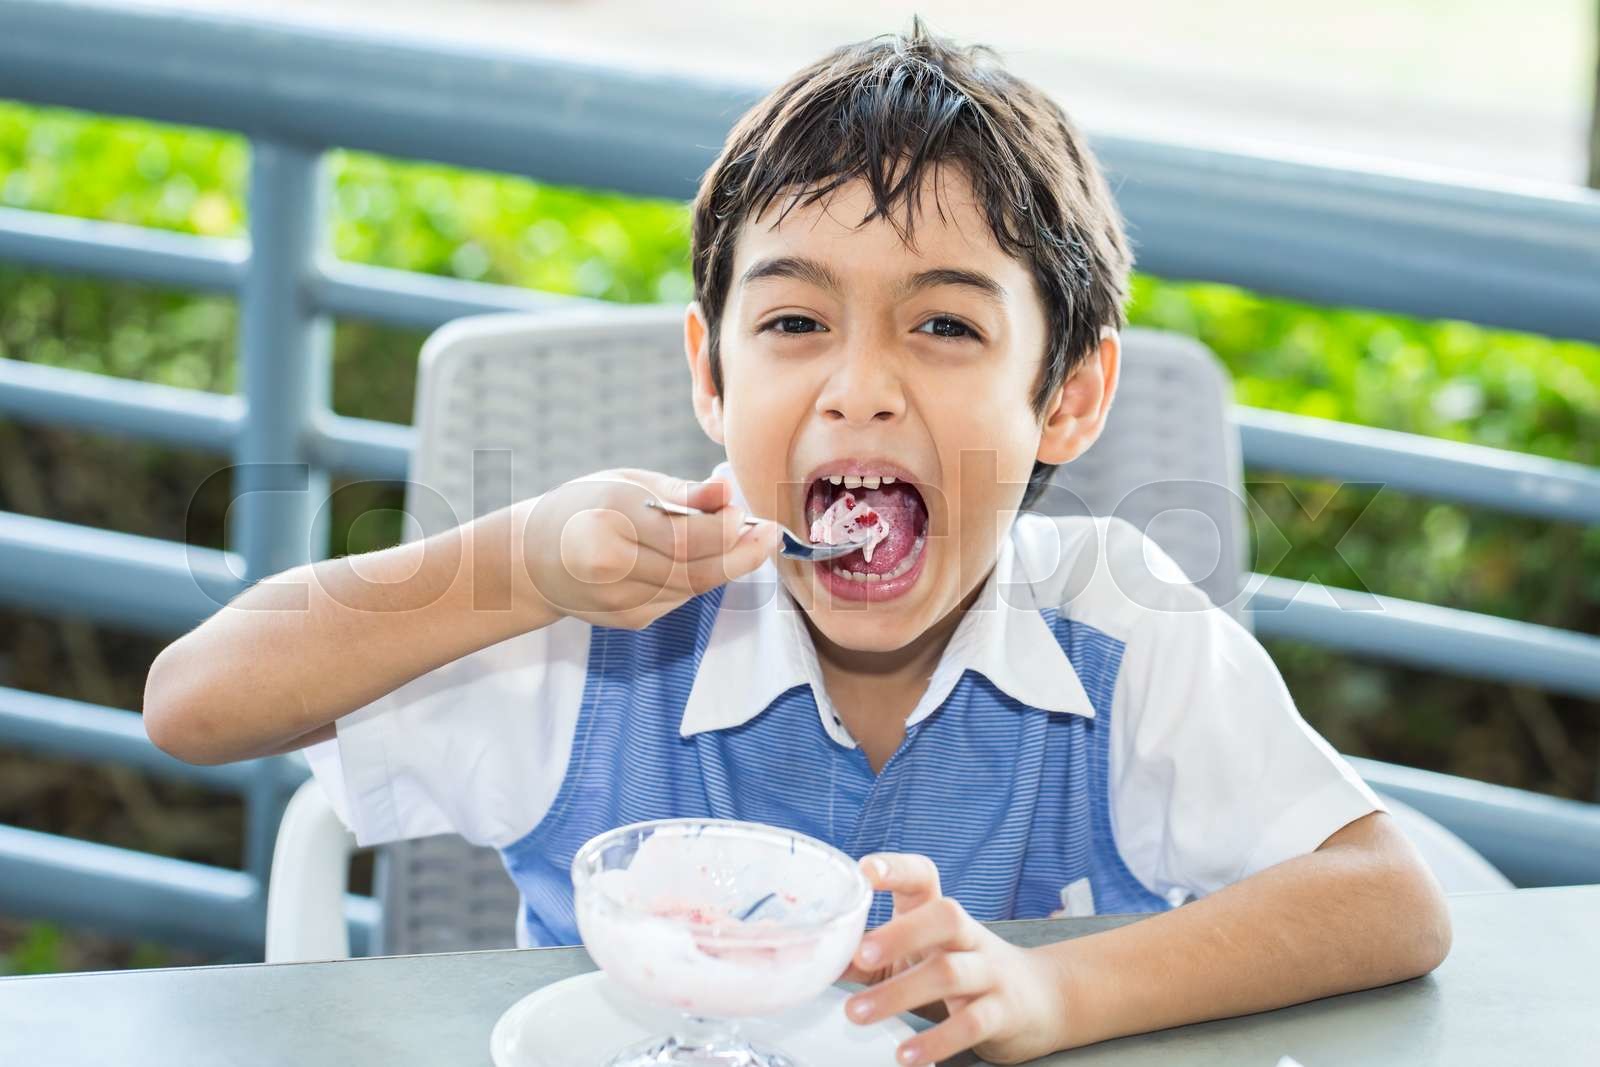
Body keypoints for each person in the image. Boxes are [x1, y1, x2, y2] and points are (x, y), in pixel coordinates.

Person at [145, 19, 1450, 1064]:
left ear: (1068, 396)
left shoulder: (1116, 627)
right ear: (710, 375)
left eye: (944, 327)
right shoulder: (585, 639)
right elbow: (193, 703)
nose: (859, 388)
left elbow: (1391, 899)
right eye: (793, 325)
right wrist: (515, 567)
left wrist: (1050, 994)